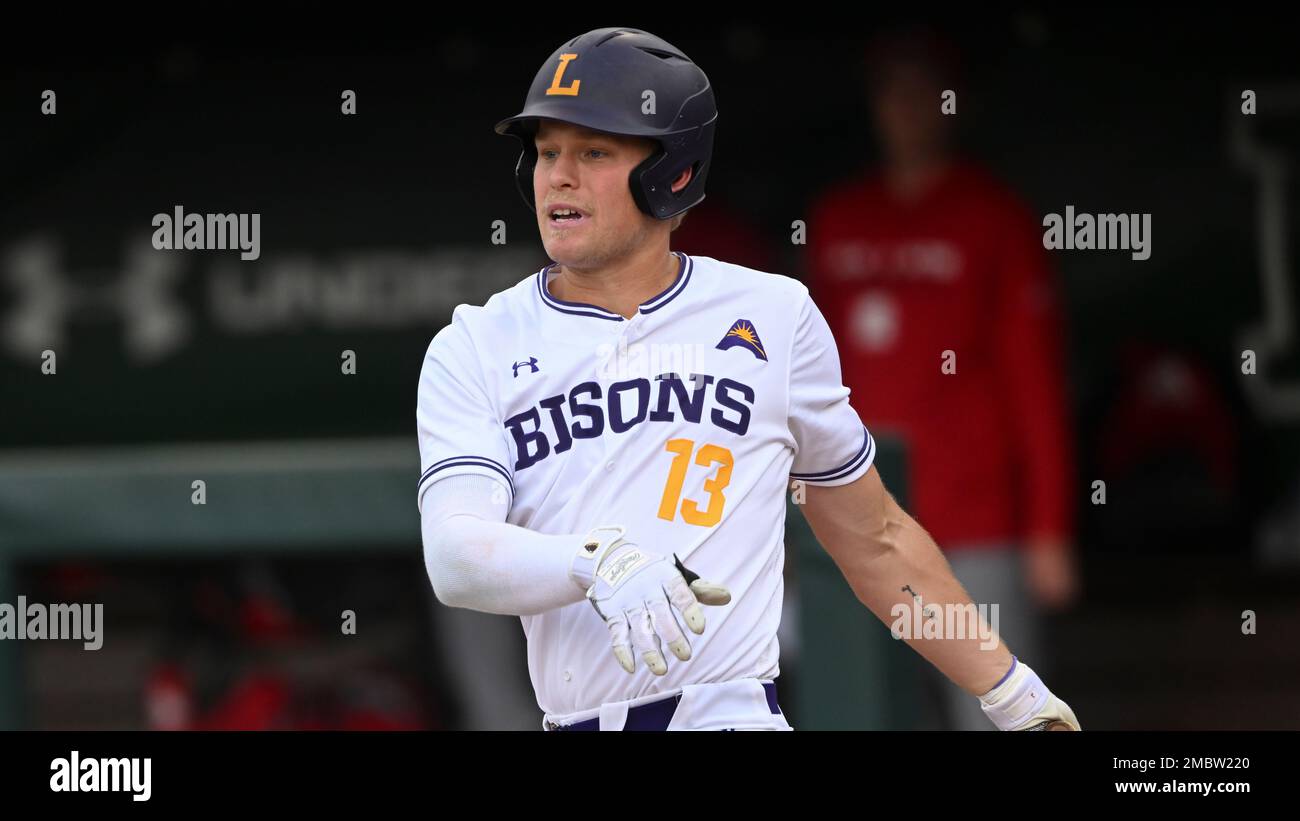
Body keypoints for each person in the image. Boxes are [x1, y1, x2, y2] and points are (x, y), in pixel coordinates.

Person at [416, 27, 1080, 731]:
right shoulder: (476, 343)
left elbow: (874, 537)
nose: (558, 176)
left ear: (671, 172)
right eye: (547, 152)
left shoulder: (773, 314)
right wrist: (593, 560)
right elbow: (457, 556)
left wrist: (1011, 690)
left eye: (594, 152)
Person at [805, 28, 1081, 729]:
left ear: (954, 103)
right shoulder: (838, 220)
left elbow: (1033, 383)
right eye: (890, 91)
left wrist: (1048, 528)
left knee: (998, 710)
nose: (906, 107)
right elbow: (803, 383)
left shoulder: (993, 218)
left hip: (975, 520)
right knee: (864, 710)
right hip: (859, 520)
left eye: (924, 90)